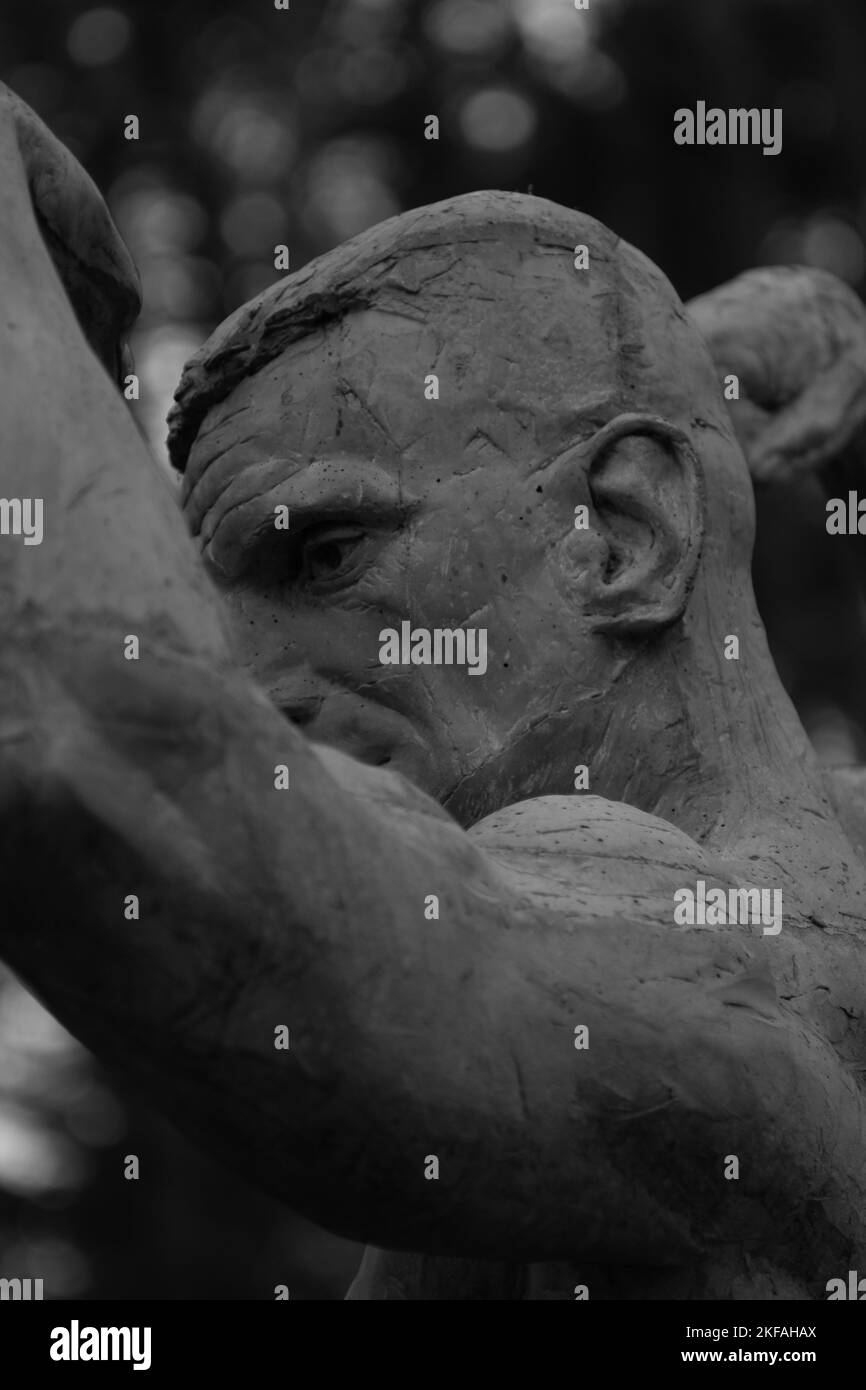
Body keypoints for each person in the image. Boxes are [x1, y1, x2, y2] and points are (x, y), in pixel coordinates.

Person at [1, 84, 865, 1301]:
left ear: (624, 537)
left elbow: (86, 735)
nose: (247, 678)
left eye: (323, 556)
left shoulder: (688, 928)